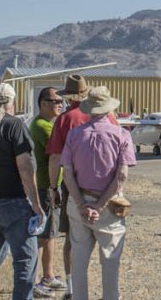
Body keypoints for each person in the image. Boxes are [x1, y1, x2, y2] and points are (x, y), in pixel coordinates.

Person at [60, 86, 136, 300]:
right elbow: (121, 175)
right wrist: (99, 205)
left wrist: (82, 205)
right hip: (109, 205)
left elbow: (67, 174)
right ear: (108, 108)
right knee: (110, 262)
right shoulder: (122, 134)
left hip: (79, 203)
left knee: (79, 262)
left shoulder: (75, 135)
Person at [0, 83, 45, 300]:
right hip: (15, 202)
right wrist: (36, 204)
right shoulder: (16, 125)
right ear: (13, 101)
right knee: (25, 263)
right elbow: (25, 167)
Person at [47, 75, 118, 298]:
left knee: (75, 243)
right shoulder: (111, 119)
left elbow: (56, 158)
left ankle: (73, 289)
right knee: (110, 252)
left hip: (75, 186)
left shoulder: (65, 119)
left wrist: (53, 187)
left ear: (68, 97)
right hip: (108, 188)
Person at [29, 87, 66, 298]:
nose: (60, 104)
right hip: (46, 186)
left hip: (49, 185)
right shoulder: (43, 128)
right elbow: (60, 151)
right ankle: (34, 281)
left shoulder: (42, 124)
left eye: (61, 100)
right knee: (42, 235)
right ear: (43, 103)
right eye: (55, 101)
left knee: (50, 233)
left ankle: (48, 275)